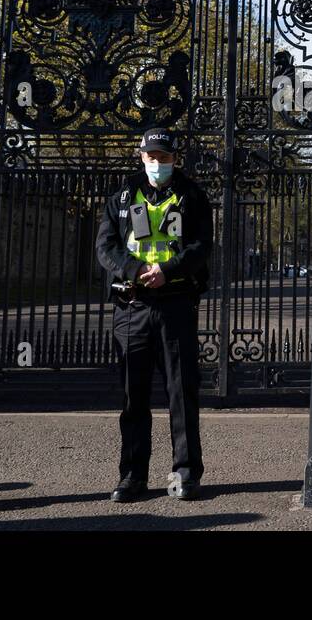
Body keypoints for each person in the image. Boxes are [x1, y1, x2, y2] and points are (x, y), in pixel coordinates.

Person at [96, 128, 213, 502]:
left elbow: (201, 247)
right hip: (133, 306)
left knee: (182, 394)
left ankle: (186, 473)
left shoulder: (193, 196)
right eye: (151, 157)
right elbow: (106, 246)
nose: (157, 163)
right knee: (134, 397)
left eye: (164, 157)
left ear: (175, 158)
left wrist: (170, 270)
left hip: (176, 303)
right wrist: (133, 271)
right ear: (141, 156)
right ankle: (132, 476)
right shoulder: (121, 197)